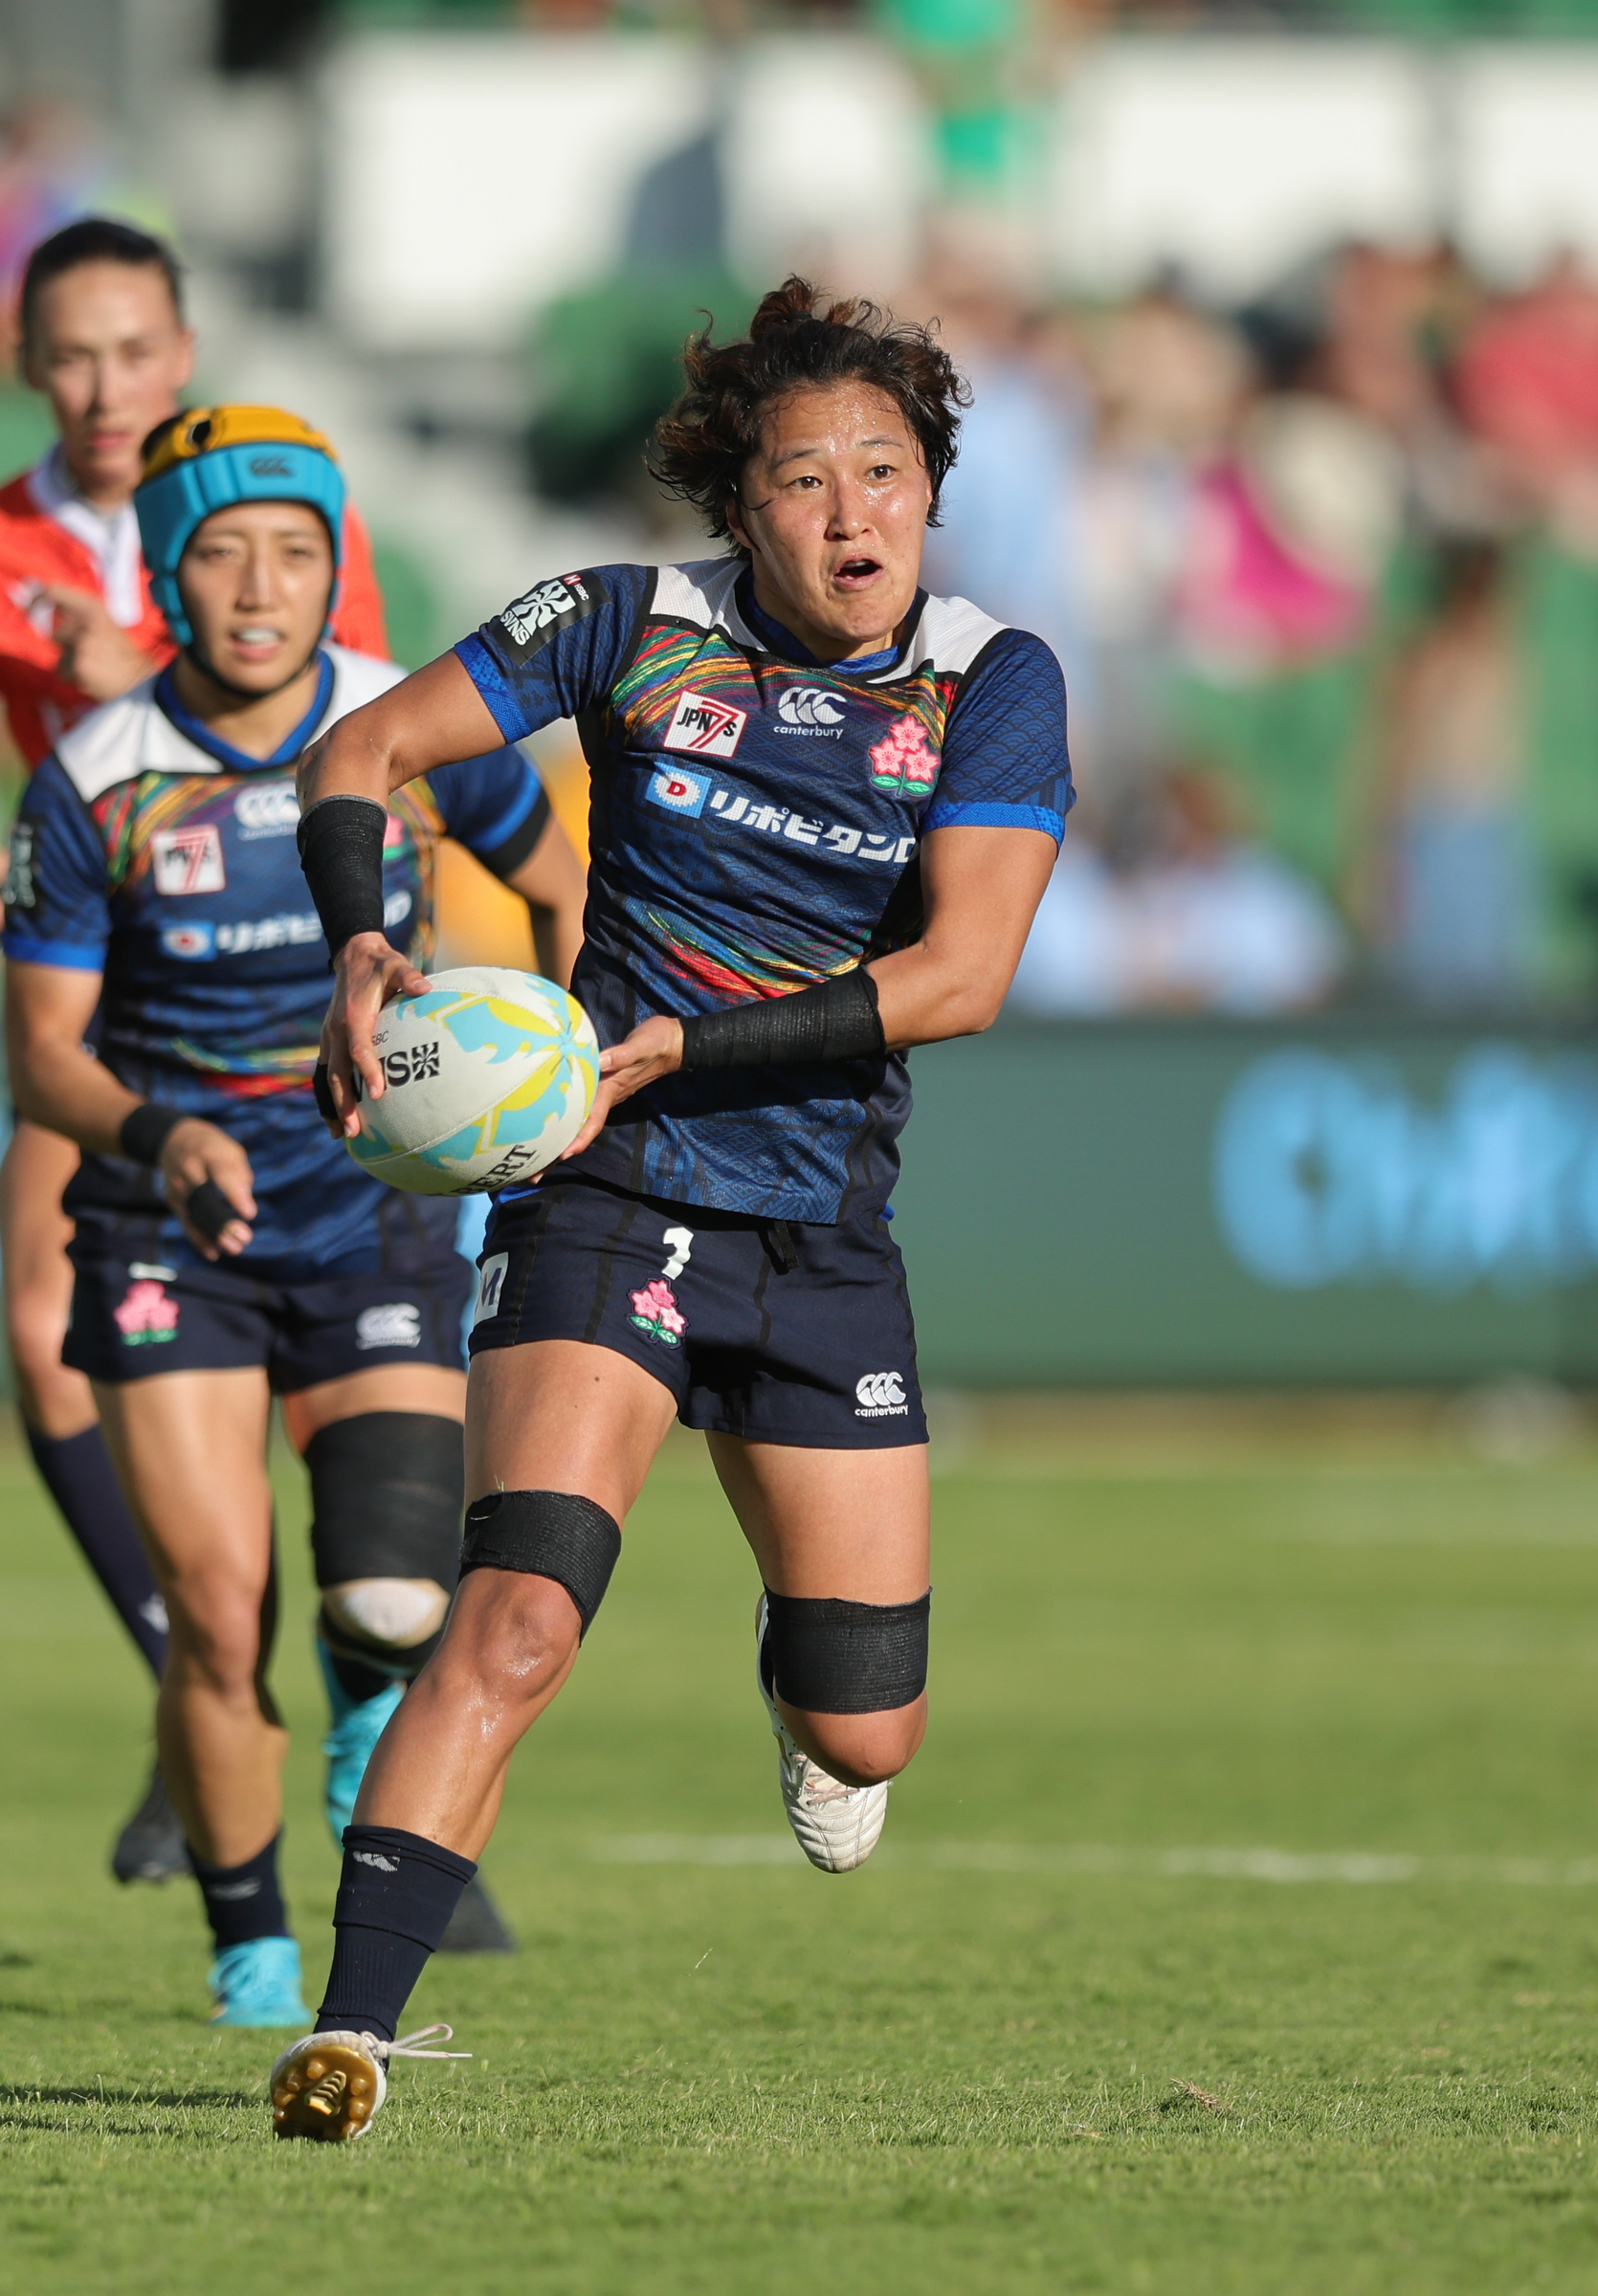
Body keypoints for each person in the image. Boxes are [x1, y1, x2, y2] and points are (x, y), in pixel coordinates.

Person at [272, 280, 1074, 2138]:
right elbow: (357, 753)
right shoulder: (630, 627)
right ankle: (352, 2033)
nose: (854, 512)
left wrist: (672, 1047)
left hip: (821, 1240)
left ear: (932, 491)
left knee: (869, 1723)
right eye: (807, 479)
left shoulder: (990, 678)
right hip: (606, 1199)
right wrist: (362, 947)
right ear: (743, 507)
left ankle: (813, 1705)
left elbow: (960, 978)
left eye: (887, 471)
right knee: (519, 1617)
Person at [1, 407, 582, 2025]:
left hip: (373, 1206)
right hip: (169, 1216)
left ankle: (359, 1718)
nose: (261, 586)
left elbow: (559, 887)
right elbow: (40, 1057)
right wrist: (164, 1131)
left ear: (341, 571)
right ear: (169, 576)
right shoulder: (96, 781)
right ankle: (251, 1944)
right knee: (215, 1607)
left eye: (297, 552)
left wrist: (550, 1058)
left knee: (398, 1591)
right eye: (222, 552)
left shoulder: (409, 740)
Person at [0, 218, 394, 1885]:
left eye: (135, 350)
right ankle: (200, 1686)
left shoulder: (278, 505)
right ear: (22, 363)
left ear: (184, 348)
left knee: (323, 1384)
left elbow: (338, 702)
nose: (104, 386)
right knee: (39, 1328)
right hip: (102, 987)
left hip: (290, 994)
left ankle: (349, 1704)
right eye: (71, 354)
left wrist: (140, 666)